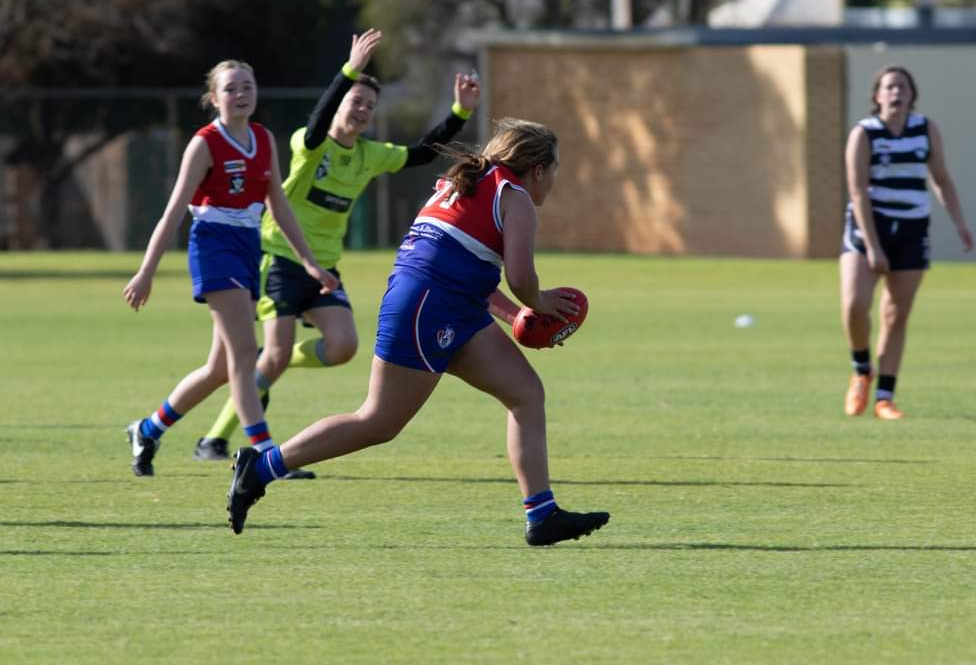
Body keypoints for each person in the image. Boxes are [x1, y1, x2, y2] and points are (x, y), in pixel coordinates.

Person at [225, 117, 610, 547]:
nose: (555, 180)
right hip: (429, 305)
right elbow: (520, 279)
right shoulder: (514, 196)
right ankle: (260, 468)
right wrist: (541, 304)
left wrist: (518, 316)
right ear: (537, 169)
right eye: (555, 169)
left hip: (444, 301)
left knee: (525, 392)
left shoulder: (466, 181)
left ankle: (542, 515)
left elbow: (464, 267)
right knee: (378, 420)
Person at [192, 32, 482, 475]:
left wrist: (460, 111)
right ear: (339, 103)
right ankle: (216, 437)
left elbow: (422, 153)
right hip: (279, 255)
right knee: (272, 355)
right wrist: (348, 71)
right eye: (354, 101)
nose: (361, 110)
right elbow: (318, 120)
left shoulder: (370, 154)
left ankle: (270, 360)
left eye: (369, 104)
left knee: (343, 345)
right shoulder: (310, 147)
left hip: (323, 264)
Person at [122, 59, 339, 476]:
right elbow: (172, 214)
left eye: (247, 86)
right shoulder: (204, 144)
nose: (241, 94)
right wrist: (146, 271)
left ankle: (147, 430)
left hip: (247, 246)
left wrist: (310, 262)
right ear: (214, 97)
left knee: (220, 368)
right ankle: (267, 454)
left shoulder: (262, 138)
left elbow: (279, 205)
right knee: (244, 355)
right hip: (213, 246)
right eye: (231, 88)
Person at [840, 65, 975, 420]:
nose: (896, 93)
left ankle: (884, 398)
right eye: (889, 87)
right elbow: (857, 193)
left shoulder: (925, 130)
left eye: (903, 87)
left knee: (896, 314)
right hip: (869, 229)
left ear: (912, 94)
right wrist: (873, 246)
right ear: (877, 96)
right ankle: (860, 370)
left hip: (912, 229)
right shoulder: (864, 134)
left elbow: (942, 179)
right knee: (856, 304)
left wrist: (960, 224)